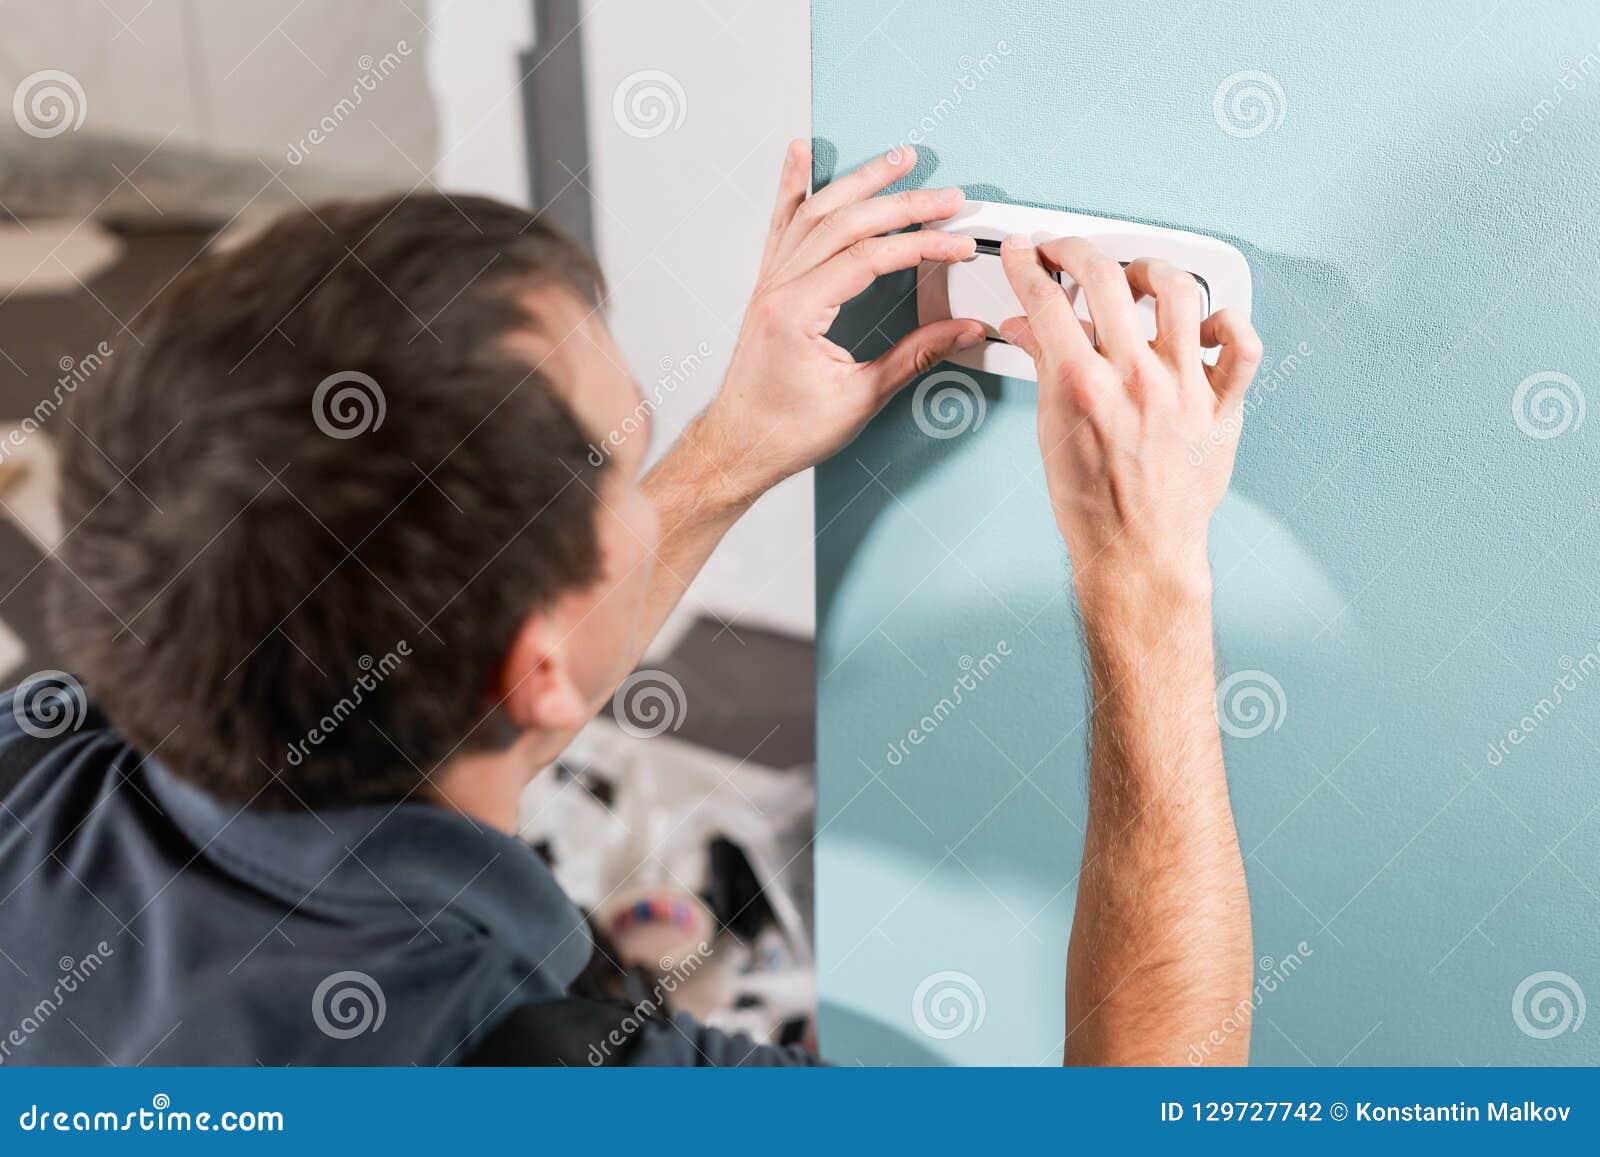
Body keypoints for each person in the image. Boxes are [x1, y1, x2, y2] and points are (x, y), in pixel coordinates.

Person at [0, 141, 1261, 1066]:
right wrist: (1143, 581)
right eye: (623, 459)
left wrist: (737, 441)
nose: (647, 487)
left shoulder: (38, 749)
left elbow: (430, 699)